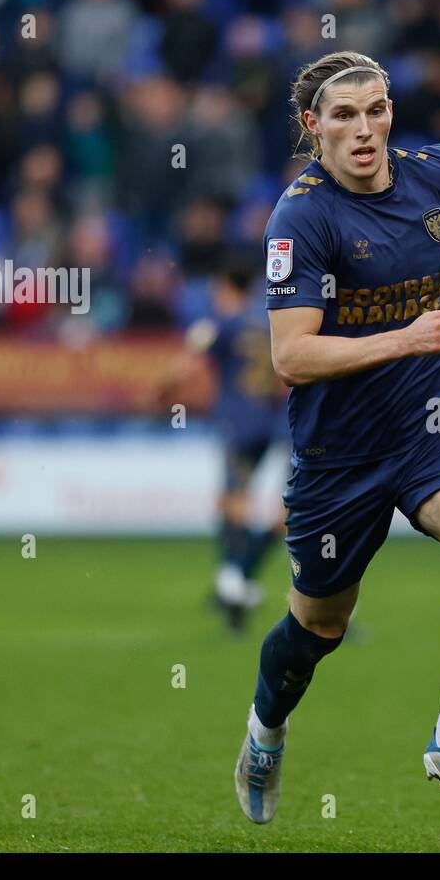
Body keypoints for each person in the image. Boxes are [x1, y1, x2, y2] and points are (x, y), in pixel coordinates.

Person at [235, 51, 440, 825]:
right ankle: (266, 730)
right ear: (313, 127)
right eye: (343, 115)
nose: (364, 129)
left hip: (430, 422)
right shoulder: (301, 217)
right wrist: (408, 336)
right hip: (340, 454)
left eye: (376, 109)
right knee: (318, 628)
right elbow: (290, 357)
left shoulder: (435, 171)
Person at [160, 247, 287, 631]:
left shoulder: (220, 322)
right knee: (285, 510)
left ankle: (232, 577)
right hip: (278, 421)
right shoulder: (270, 318)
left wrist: (159, 387)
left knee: (233, 503)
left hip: (239, 421)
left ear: (221, 285)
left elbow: (188, 361)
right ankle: (240, 578)